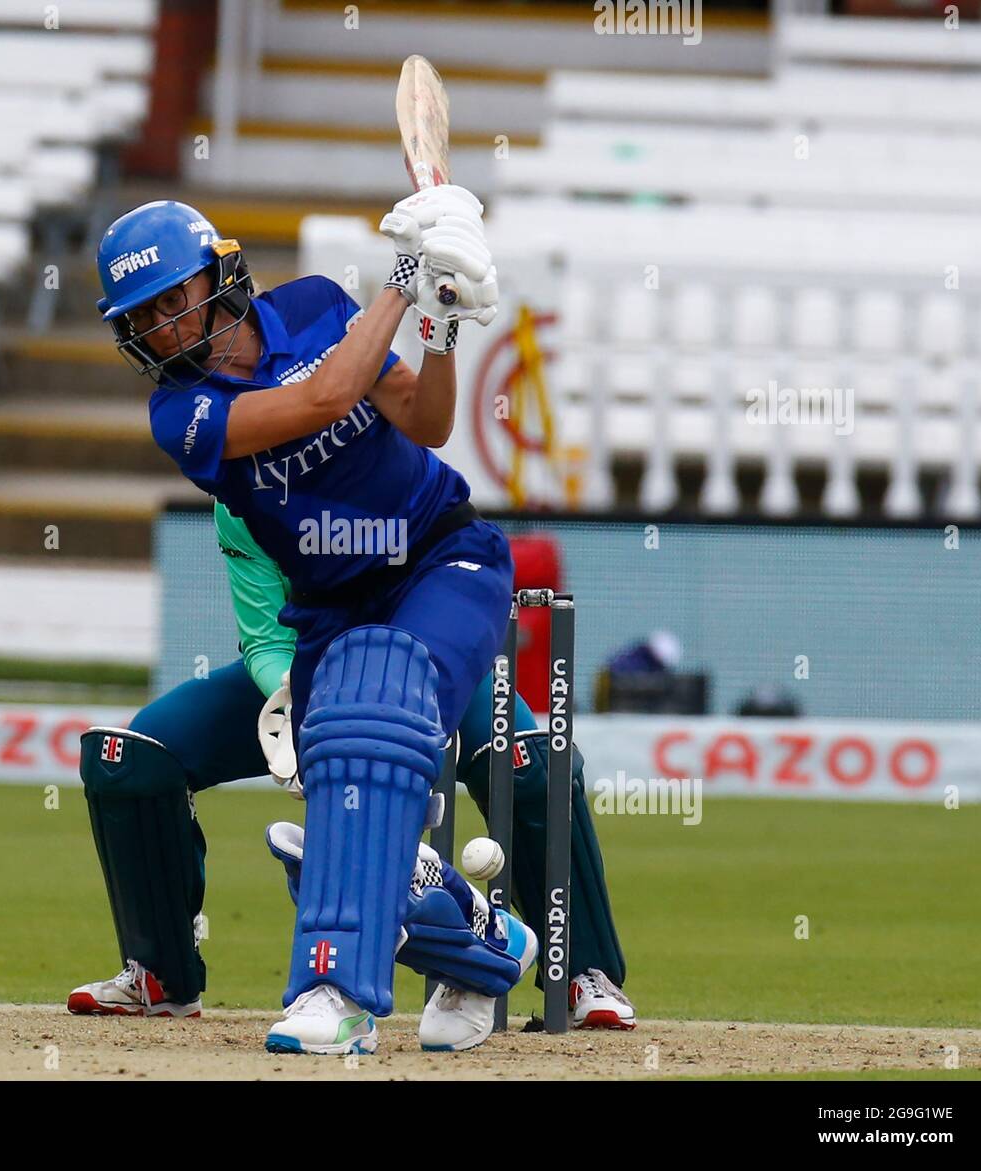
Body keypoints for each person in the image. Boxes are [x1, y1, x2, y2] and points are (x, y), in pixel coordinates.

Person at [77, 192, 627, 1053]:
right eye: (139, 318)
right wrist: (406, 282)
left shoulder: (314, 307)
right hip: (334, 608)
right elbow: (327, 399)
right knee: (345, 786)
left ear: (217, 278)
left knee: (381, 712)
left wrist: (441, 330)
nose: (159, 328)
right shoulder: (180, 416)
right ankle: (482, 945)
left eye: (169, 301)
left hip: (443, 561)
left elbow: (428, 421)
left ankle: (336, 994)